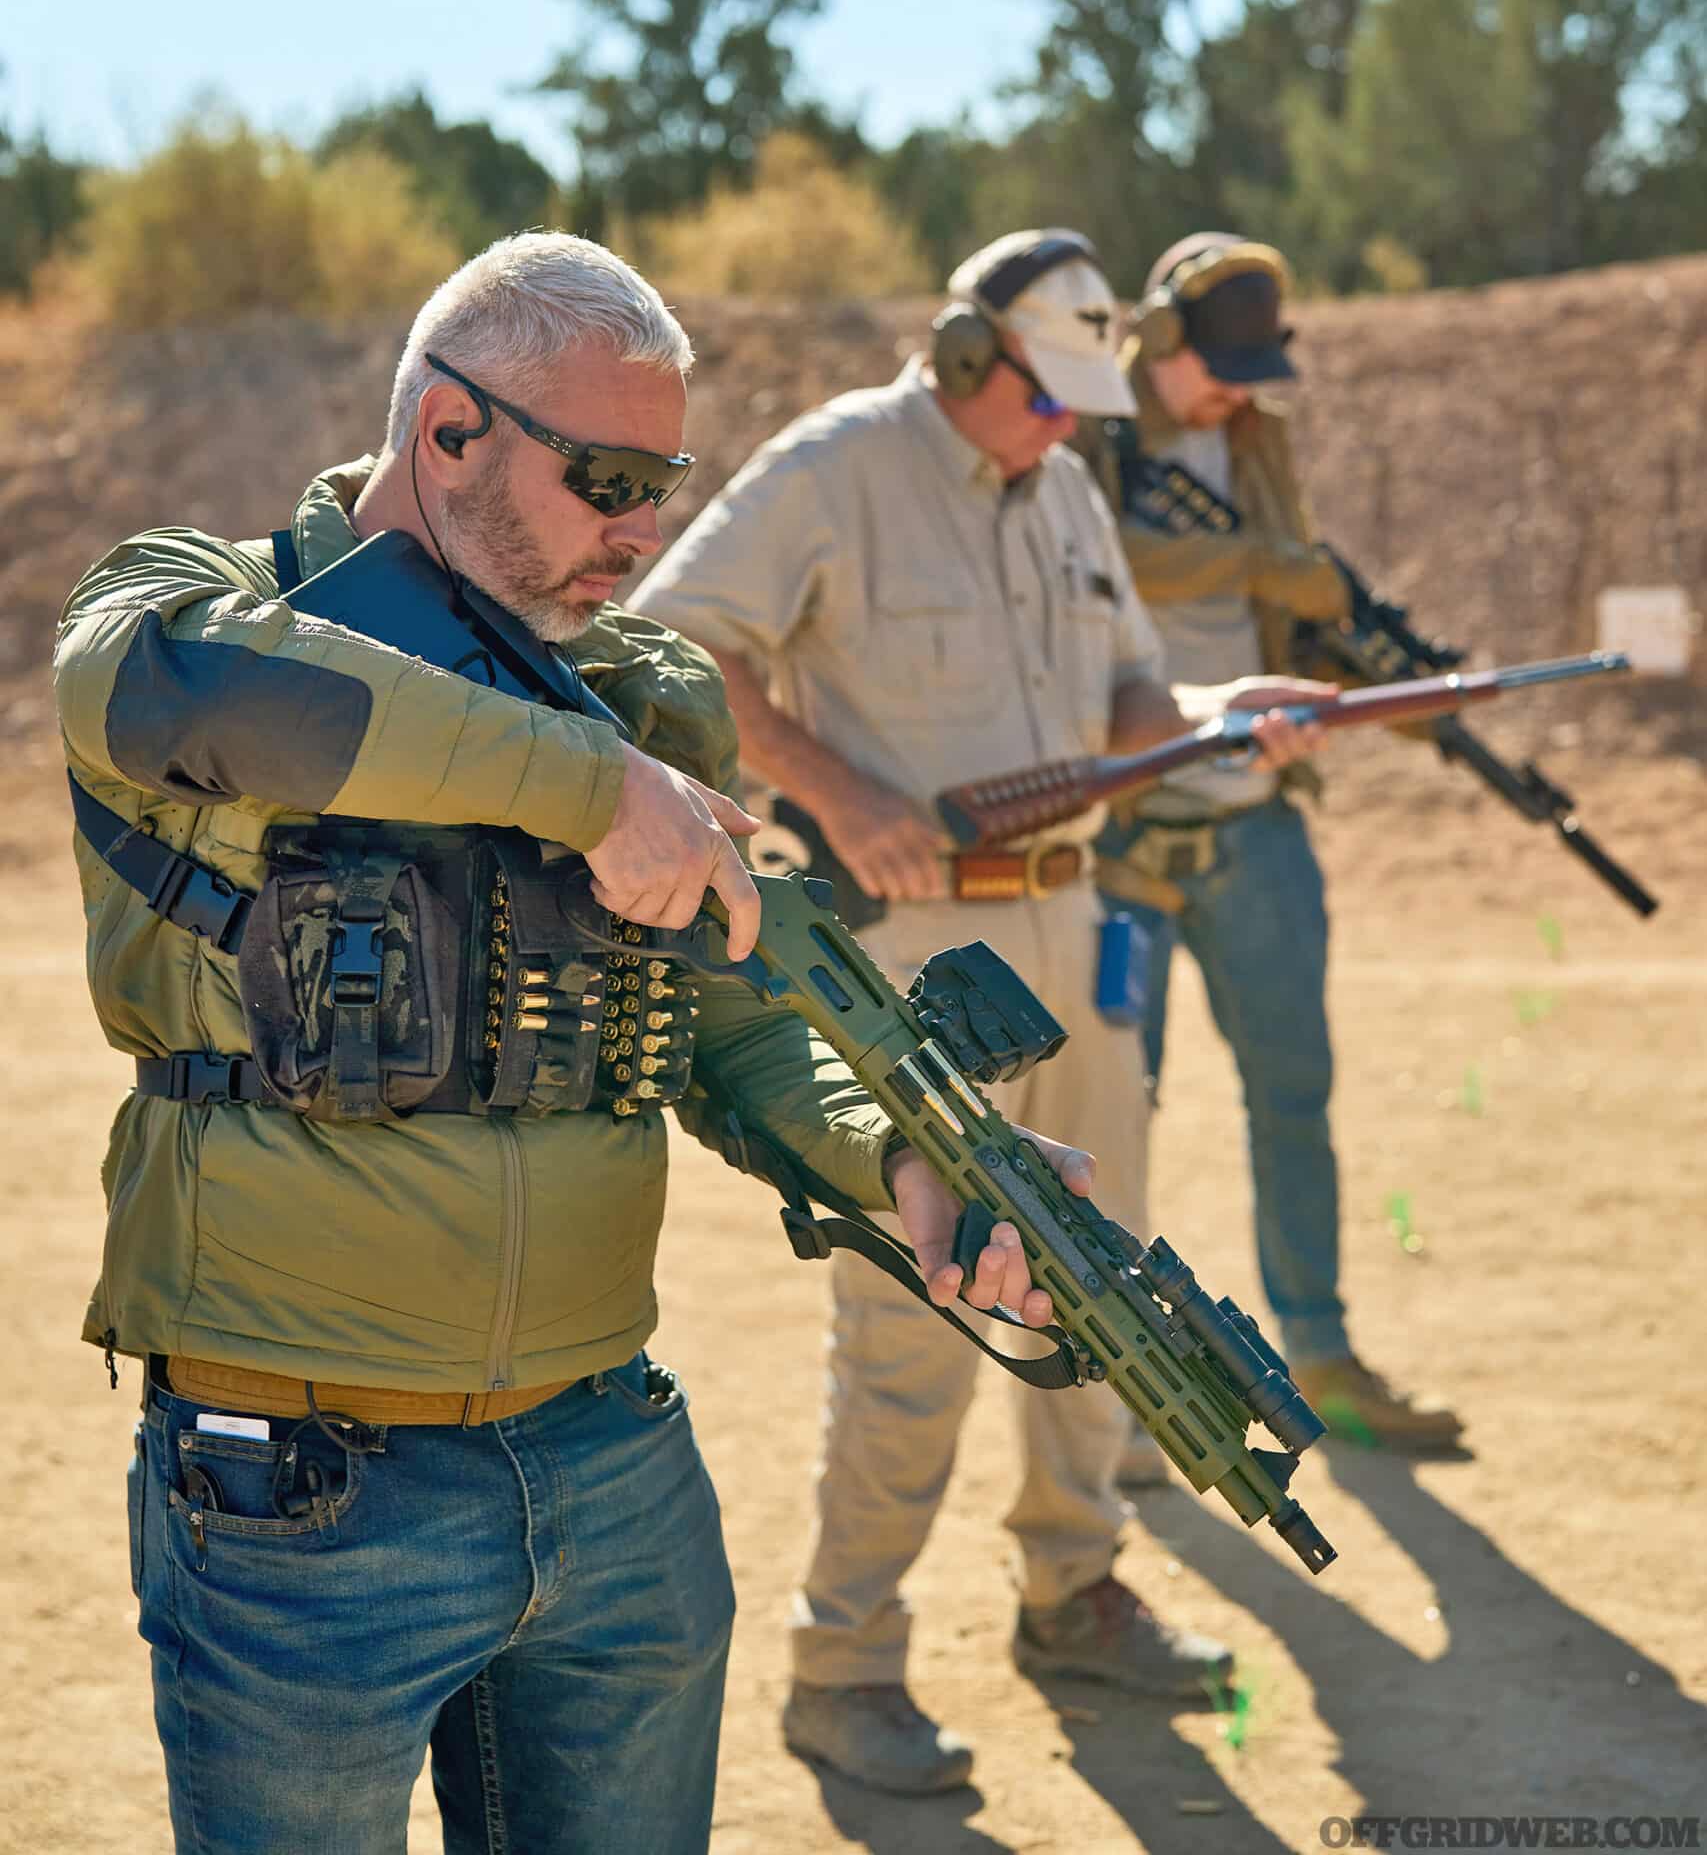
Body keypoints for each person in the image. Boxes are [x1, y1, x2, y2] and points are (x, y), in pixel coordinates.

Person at [55, 231, 1091, 1855]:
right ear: (446, 433)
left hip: (608, 1464)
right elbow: (176, 694)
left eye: (660, 483)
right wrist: (590, 785)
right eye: (605, 475)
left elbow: (742, 1026)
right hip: (298, 1496)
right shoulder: (198, 608)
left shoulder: (649, 699)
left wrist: (902, 1159)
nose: (642, 530)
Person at [631, 227, 1333, 1797]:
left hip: (1080, 936)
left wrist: (1234, 727)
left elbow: (1131, 707)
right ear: (961, 358)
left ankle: (1072, 1586)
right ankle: (845, 1663)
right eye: (1042, 392)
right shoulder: (835, 469)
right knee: (918, 1311)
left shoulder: (1064, 485)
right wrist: (831, 787)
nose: (1069, 423)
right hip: (911, 958)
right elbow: (671, 641)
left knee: (1115, 1271)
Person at [1078, 231, 1466, 1456]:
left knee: (1293, 1098)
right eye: (1220, 364)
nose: (1238, 389)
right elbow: (1096, 566)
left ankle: (1323, 1357)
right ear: (1159, 341)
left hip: (1257, 832)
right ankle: (1120, 1397)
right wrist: (1262, 562)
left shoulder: (1257, 443)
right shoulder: (1087, 437)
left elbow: (1296, 603)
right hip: (1123, 834)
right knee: (1110, 1124)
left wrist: (1334, 693)